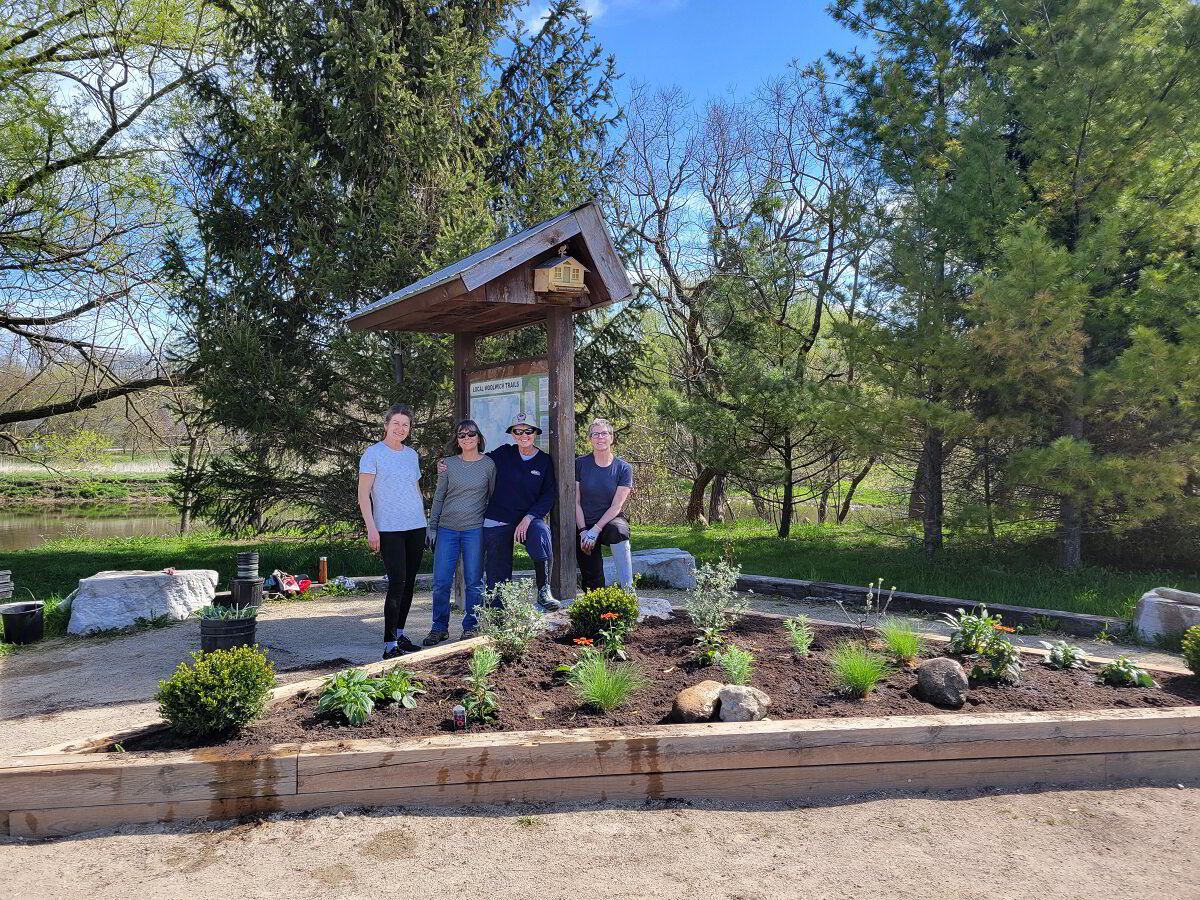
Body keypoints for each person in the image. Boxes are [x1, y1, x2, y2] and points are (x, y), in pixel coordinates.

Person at [443, 412, 559, 609]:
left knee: (541, 532)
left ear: (535, 433)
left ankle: (543, 590)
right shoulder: (504, 453)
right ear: (513, 434)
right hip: (500, 515)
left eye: (528, 431)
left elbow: (548, 495)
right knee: (497, 556)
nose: (524, 435)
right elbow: (476, 461)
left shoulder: (544, 461)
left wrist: (529, 518)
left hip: (527, 518)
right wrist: (447, 464)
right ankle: (497, 606)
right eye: (518, 431)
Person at [358, 403, 427, 659]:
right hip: (388, 529)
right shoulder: (373, 453)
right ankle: (389, 644)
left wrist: (426, 521)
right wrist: (371, 529)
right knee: (397, 583)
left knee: (409, 583)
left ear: (410, 429)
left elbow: (416, 491)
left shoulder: (412, 455)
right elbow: (363, 495)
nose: (400, 428)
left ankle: (399, 633)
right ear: (386, 425)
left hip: (416, 526)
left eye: (405, 425)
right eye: (396, 423)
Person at [424, 419, 495, 645]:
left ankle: (471, 626)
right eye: (462, 435)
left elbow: (491, 497)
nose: (467, 438)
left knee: (474, 581)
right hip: (446, 529)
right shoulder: (447, 464)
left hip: (474, 530)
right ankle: (439, 627)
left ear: (479, 437)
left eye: (471, 434)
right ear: (457, 440)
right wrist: (432, 526)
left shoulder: (489, 465)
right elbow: (439, 496)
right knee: (441, 581)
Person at [575, 418, 634, 591]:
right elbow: (575, 502)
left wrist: (596, 530)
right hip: (583, 523)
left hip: (610, 521)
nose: (600, 437)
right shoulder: (579, 464)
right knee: (593, 583)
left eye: (604, 433)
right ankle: (597, 608)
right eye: (595, 434)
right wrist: (584, 531)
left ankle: (628, 590)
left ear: (611, 438)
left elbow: (616, 506)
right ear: (590, 439)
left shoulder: (623, 468)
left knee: (620, 531)